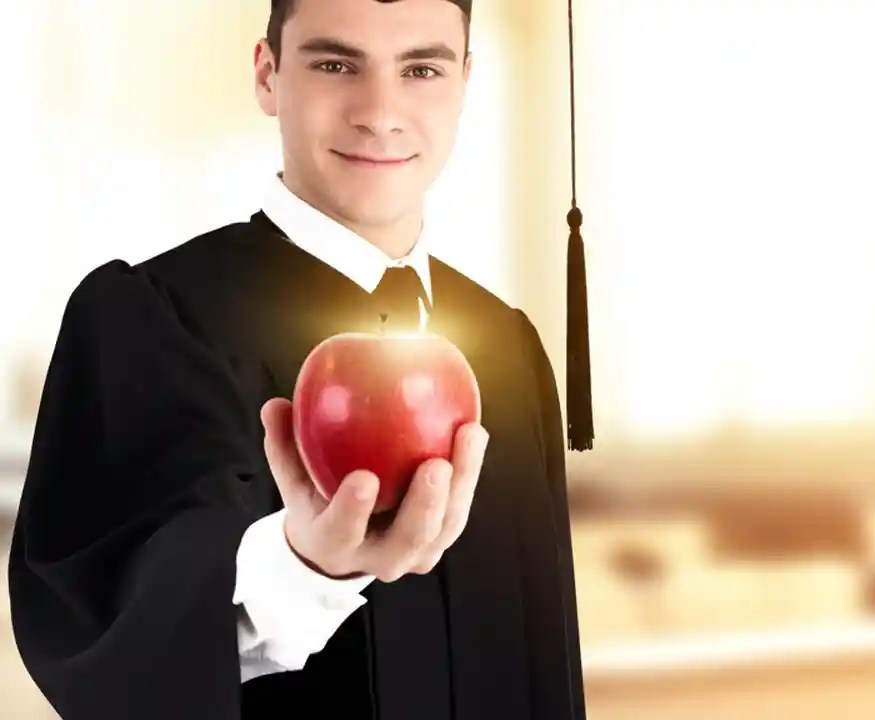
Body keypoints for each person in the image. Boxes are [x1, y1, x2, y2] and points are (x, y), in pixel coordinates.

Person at [7, 0, 586, 717]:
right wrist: (302, 563)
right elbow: (103, 624)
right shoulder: (151, 318)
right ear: (268, 75)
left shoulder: (505, 347)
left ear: (465, 82)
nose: (381, 112)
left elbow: (542, 661)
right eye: (336, 64)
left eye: (422, 69)